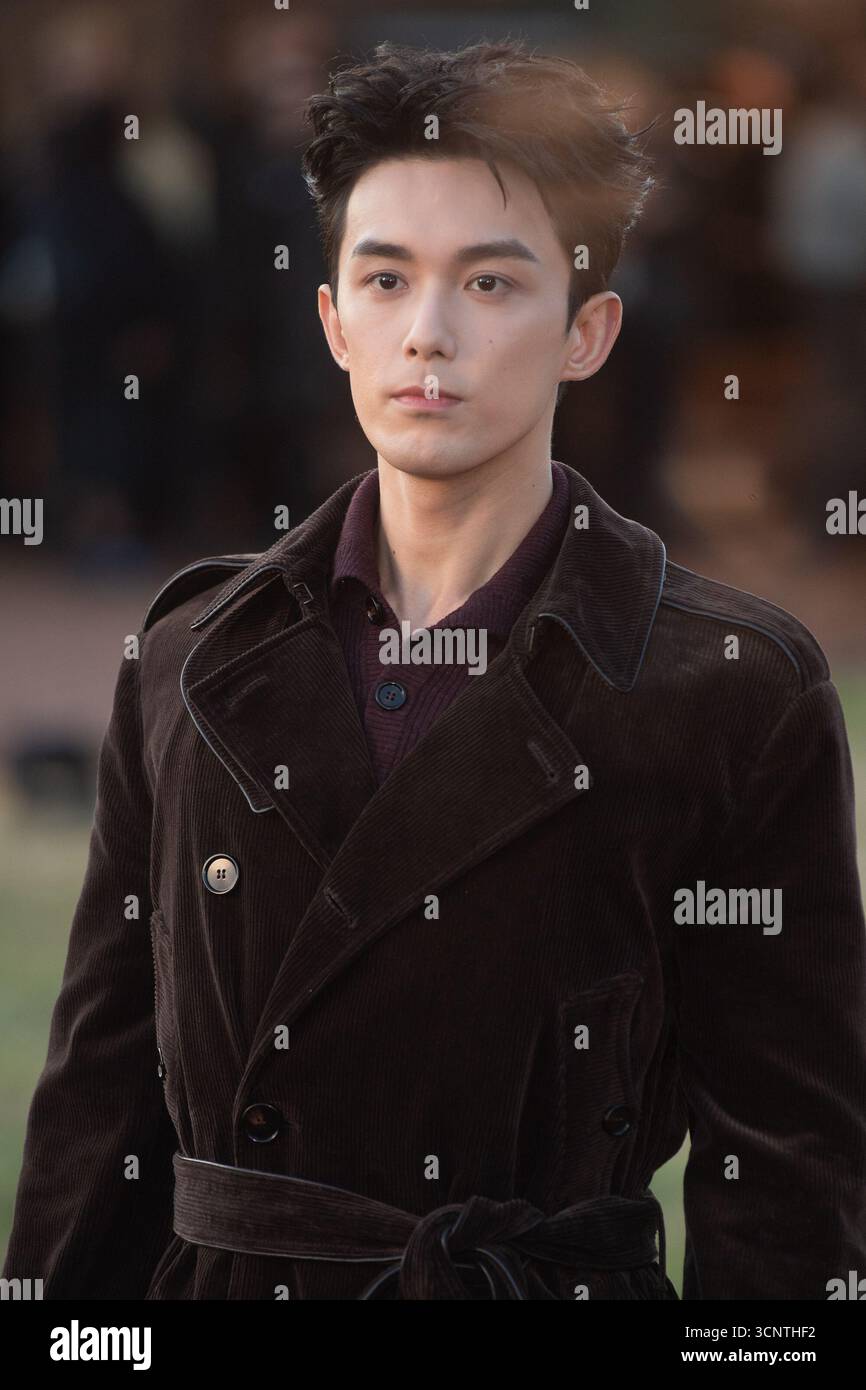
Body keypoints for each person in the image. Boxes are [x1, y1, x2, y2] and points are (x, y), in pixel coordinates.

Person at [4, 39, 865, 1301]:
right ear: (331, 321)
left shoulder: (728, 688)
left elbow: (785, 1176)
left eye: (490, 283)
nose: (429, 333)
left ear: (586, 332)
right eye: (387, 277)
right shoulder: (190, 655)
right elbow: (100, 1106)